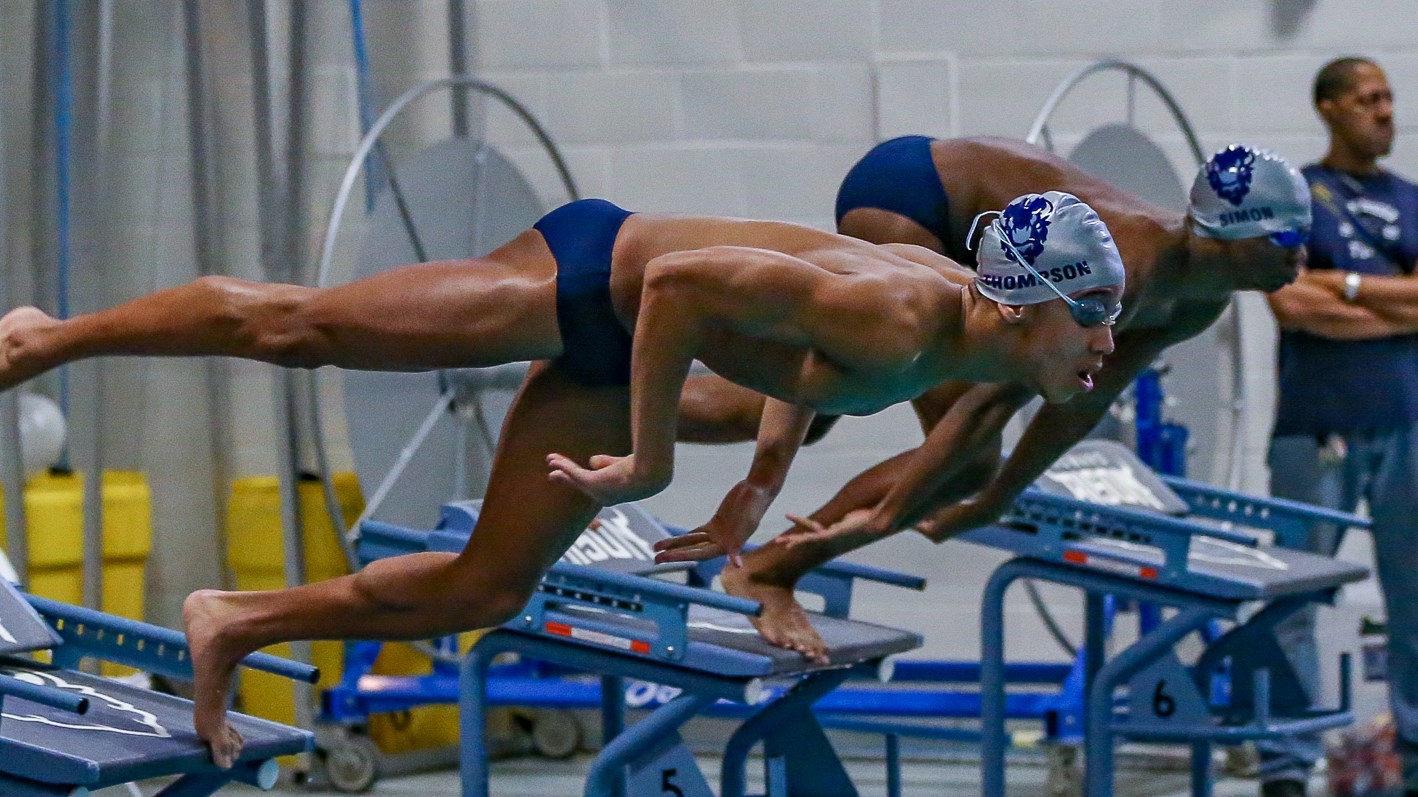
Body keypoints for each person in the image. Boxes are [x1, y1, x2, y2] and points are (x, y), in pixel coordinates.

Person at [0, 195, 1121, 767]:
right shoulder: (903, 311)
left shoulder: (947, 337)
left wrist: (752, 494)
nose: (1107, 344)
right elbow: (678, 282)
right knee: (300, 328)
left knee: (488, 590)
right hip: (589, 278)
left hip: (617, 350)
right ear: (1020, 304)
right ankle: (50, 337)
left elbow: (809, 370)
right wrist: (655, 461)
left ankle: (234, 620)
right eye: (1094, 314)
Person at [654, 137, 1320, 666]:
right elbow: (987, 406)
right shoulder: (1131, 263)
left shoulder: (1198, 302)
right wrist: (889, 513)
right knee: (957, 454)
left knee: (805, 408)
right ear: (1238, 234)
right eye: (1289, 239)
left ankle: (617, 416)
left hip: (955, 212)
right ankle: (768, 569)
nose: (1302, 256)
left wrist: (1000, 500)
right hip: (912, 197)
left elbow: (1081, 403)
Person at [1263, 56, 1418, 797]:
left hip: (1405, 428)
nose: (1385, 111)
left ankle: (1415, 747)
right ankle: (1286, 764)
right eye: (1368, 99)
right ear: (1329, 108)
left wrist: (1344, 286)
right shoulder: (1297, 198)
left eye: (1388, 98)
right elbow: (1291, 303)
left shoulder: (1412, 201)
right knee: (1296, 596)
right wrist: (1393, 304)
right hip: (1313, 428)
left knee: (1413, 595)